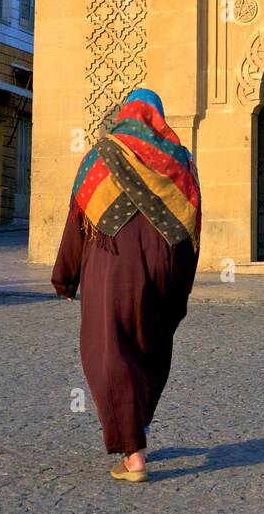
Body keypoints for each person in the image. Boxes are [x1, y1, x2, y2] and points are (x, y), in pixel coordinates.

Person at [51, 88, 201, 482]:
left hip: (113, 265)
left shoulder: (101, 154)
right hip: (166, 268)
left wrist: (65, 277)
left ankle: (133, 454)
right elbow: (192, 229)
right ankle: (140, 424)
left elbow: (77, 220)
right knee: (150, 345)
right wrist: (181, 287)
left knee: (110, 347)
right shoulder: (182, 161)